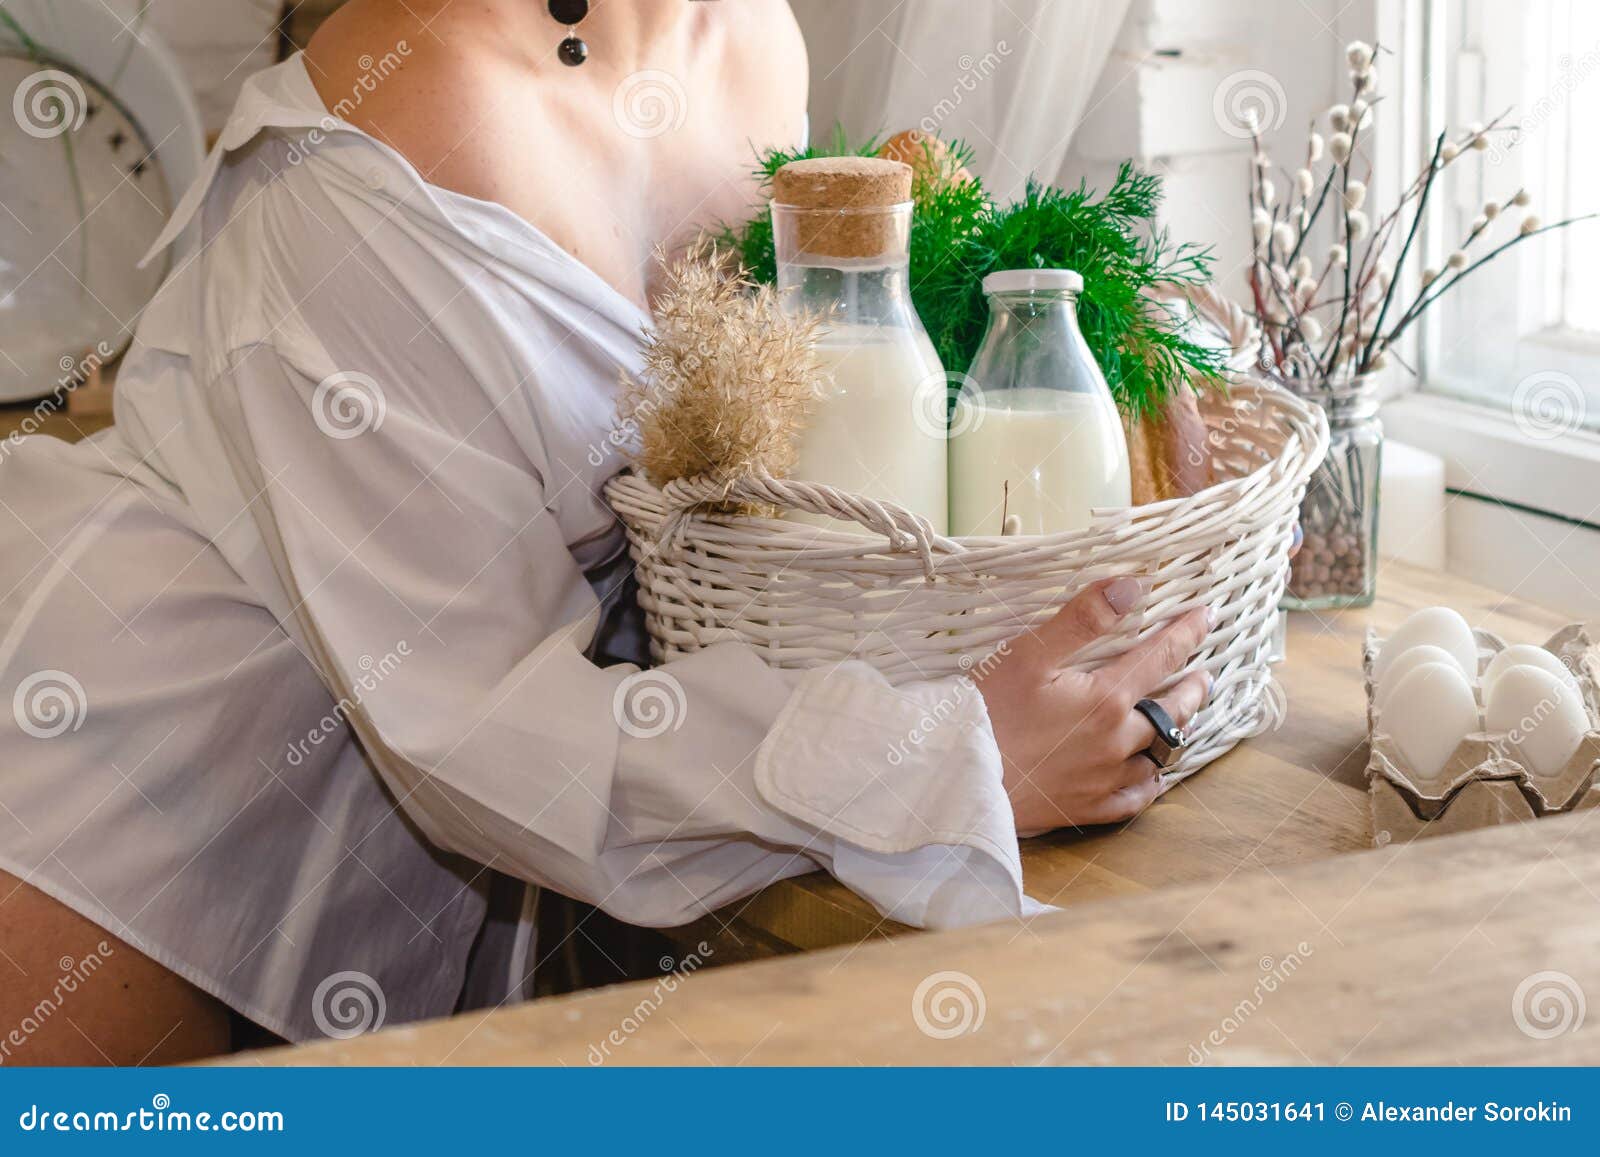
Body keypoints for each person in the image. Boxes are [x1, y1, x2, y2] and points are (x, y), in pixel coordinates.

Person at [0, 0, 1210, 1064]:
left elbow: (792, 438)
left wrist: (1090, 361)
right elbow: (476, 716)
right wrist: (945, 757)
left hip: (425, 845)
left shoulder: (753, 40)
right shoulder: (379, 143)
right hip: (132, 783)